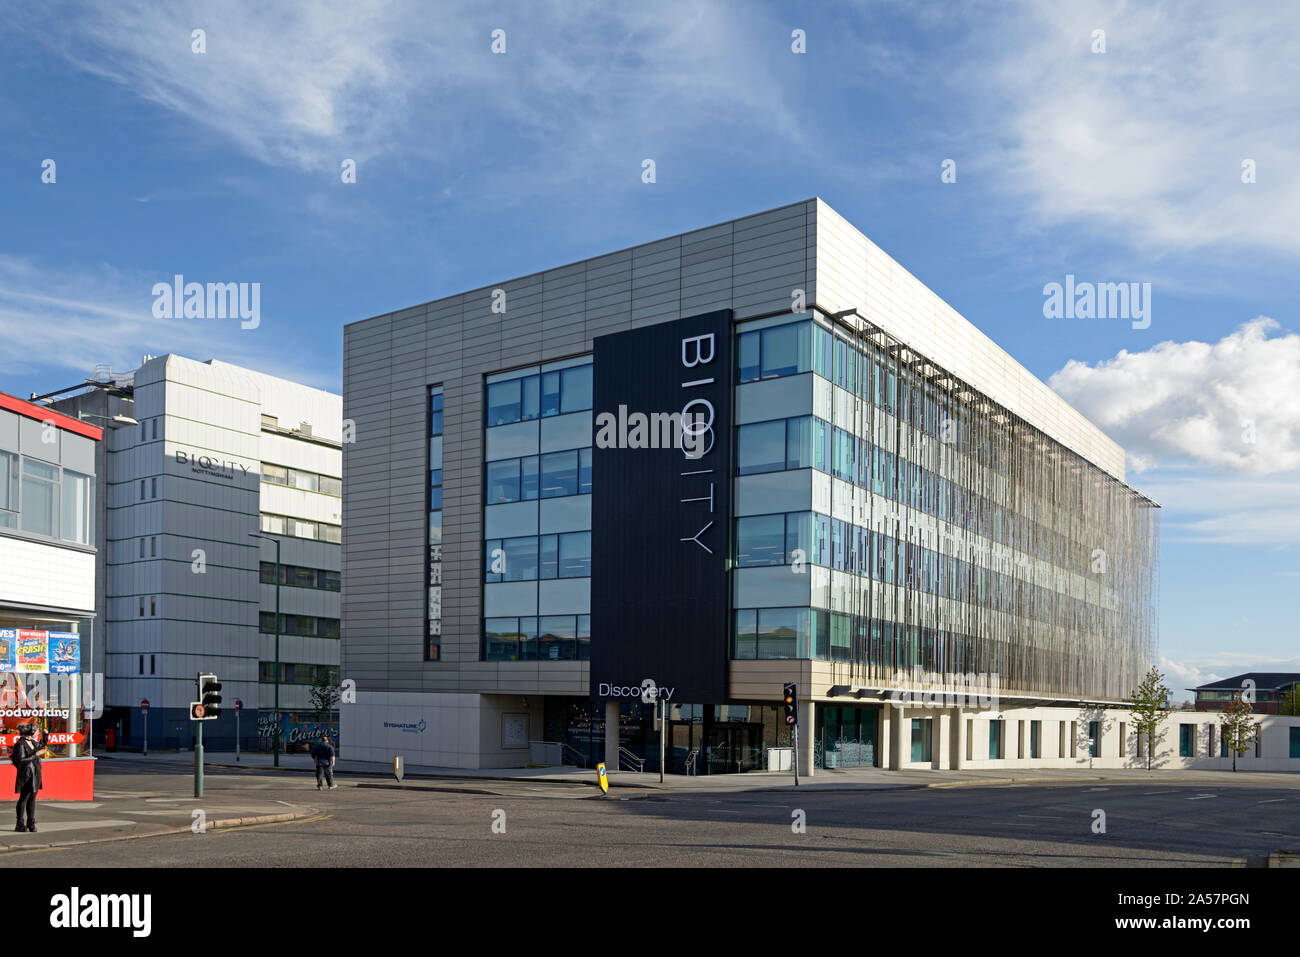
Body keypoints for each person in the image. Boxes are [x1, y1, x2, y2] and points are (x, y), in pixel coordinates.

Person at [11, 724, 46, 832]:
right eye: (37, 731)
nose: (38, 732)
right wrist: (36, 755)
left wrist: (46, 735)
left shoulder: (32, 742)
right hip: (26, 775)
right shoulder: (20, 744)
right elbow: (21, 761)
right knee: (24, 798)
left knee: (32, 799)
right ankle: (20, 823)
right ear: (30, 732)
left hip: (35, 773)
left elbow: (42, 745)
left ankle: (31, 823)